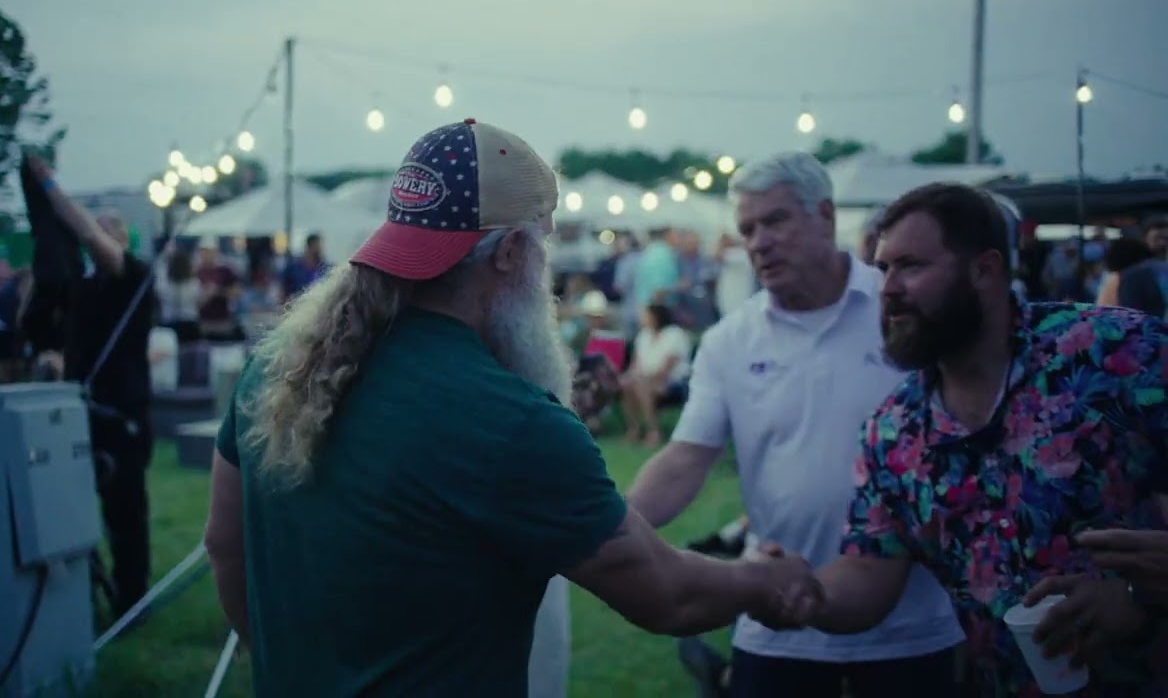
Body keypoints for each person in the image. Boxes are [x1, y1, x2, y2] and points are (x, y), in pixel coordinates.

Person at [202, 119, 823, 697]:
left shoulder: (275, 370)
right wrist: (764, 580)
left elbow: (225, 545)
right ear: (507, 255)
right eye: (540, 245)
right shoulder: (513, 420)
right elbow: (668, 597)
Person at [762, 182, 1168, 696]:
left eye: (910, 265)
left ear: (985, 271)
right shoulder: (896, 431)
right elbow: (869, 571)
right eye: (883, 268)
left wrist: (1136, 593)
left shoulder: (1110, 353)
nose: (886, 288)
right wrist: (805, 592)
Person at [627, 153, 963, 698]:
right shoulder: (730, 340)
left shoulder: (899, 310)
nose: (758, 241)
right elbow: (686, 458)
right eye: (747, 228)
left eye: (775, 220)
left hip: (912, 625)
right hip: (776, 620)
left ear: (825, 216)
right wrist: (613, 526)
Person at [27, 155, 156, 620]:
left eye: (109, 230)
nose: (98, 235)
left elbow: (89, 238)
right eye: (98, 227)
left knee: (125, 516)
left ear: (123, 240)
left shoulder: (136, 278)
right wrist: (53, 359)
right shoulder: (82, 291)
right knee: (73, 508)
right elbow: (59, 334)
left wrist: (51, 190)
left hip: (120, 417)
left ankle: (132, 600)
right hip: (78, 412)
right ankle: (82, 595)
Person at [620, 303, 692, 447]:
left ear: (656, 317)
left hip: (672, 381)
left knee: (641, 386)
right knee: (627, 384)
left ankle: (653, 431)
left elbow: (667, 367)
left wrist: (645, 379)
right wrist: (630, 376)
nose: (642, 319)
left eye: (645, 315)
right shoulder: (643, 335)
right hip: (644, 380)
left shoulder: (675, 334)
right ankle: (634, 429)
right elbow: (636, 363)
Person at [281, 234, 331, 301]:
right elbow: (284, 290)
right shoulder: (294, 268)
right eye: (318, 245)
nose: (321, 248)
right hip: (296, 305)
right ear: (310, 246)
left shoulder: (325, 268)